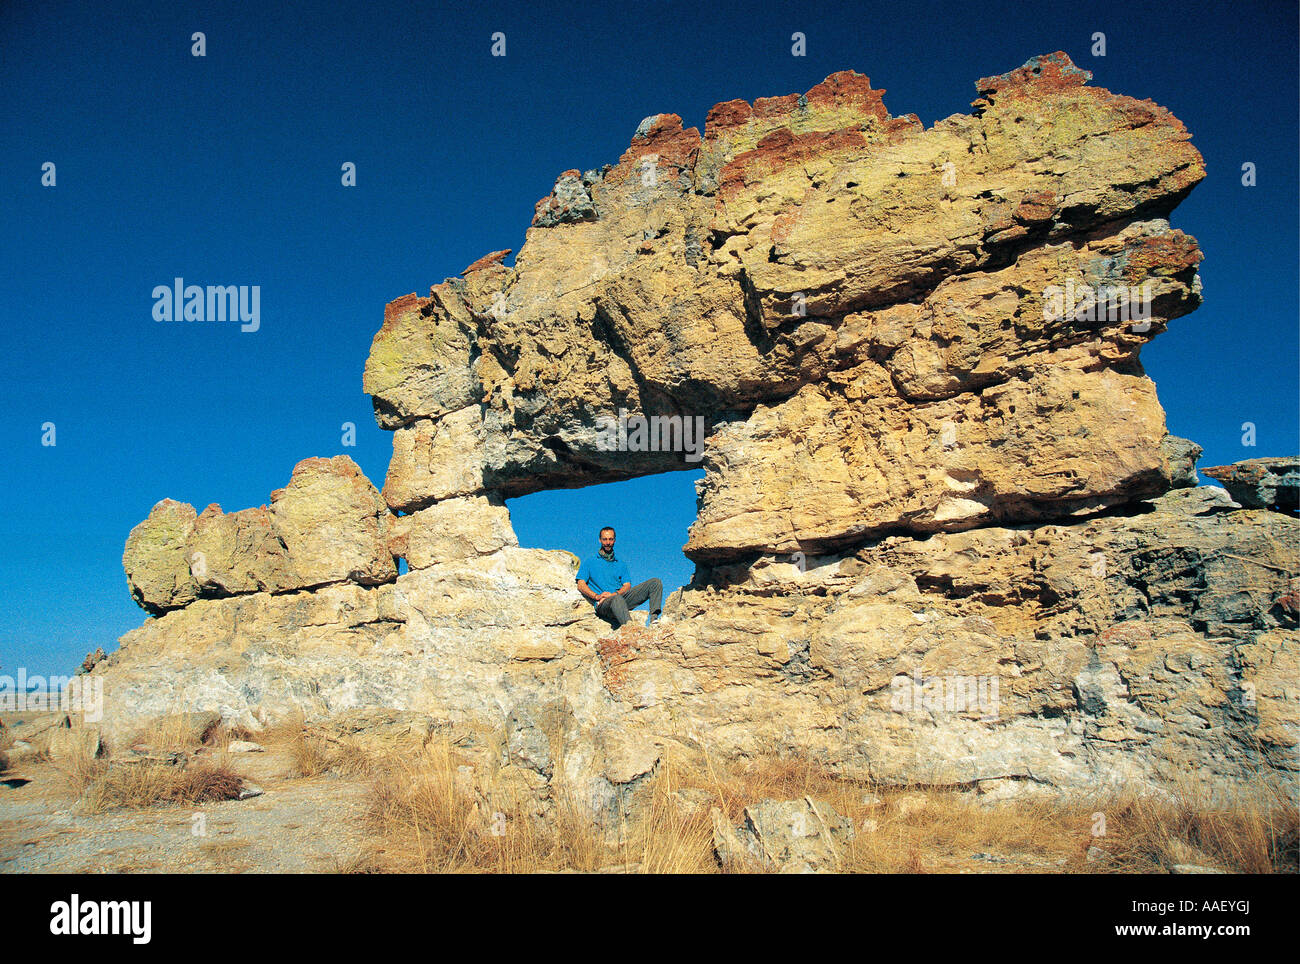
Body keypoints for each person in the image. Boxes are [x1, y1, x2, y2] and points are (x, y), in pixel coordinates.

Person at [575, 526, 665, 629]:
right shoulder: (590, 562)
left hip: (620, 598)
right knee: (616, 599)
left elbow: (627, 585)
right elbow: (581, 585)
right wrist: (597, 596)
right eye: (605, 539)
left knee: (655, 582)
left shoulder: (621, 564)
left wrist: (614, 594)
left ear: (614, 540)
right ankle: (630, 629)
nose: (608, 542)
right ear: (600, 540)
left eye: (610, 539)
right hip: (604, 604)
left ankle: (654, 620)